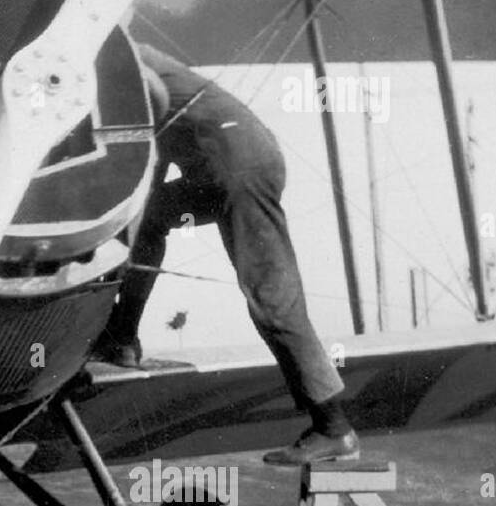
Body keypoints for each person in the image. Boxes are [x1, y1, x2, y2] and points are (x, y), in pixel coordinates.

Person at [92, 44, 360, 465]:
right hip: (223, 167)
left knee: (270, 297)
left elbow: (147, 110)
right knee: (148, 220)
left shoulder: (114, 52)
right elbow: (150, 150)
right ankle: (122, 339)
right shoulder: (116, 56)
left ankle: (334, 428)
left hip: (239, 168)